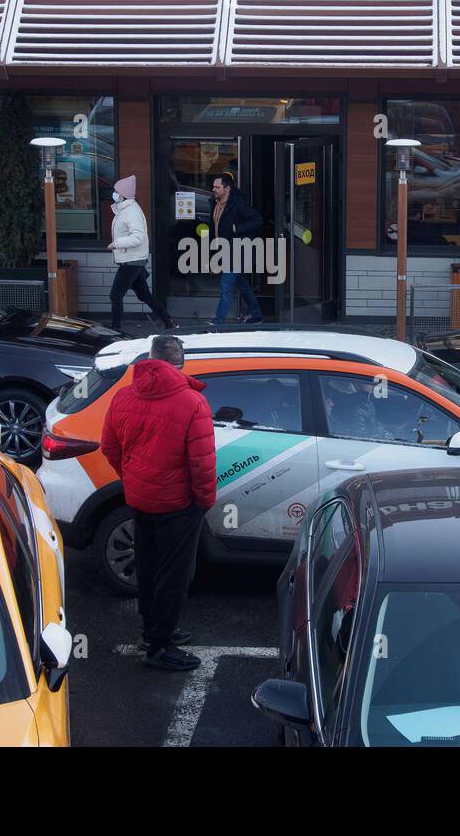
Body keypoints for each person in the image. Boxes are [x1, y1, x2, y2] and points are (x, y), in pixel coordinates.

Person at [100, 335, 216, 672]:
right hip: (178, 504)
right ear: (180, 364)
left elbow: (109, 446)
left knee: (149, 569)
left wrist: (133, 476)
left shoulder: (123, 396)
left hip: (141, 499)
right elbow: (201, 463)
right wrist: (203, 502)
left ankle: (151, 629)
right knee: (175, 575)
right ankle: (159, 645)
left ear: (149, 359)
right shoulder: (192, 403)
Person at [107, 175, 175, 332]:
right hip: (133, 259)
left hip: (132, 260)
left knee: (115, 295)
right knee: (144, 295)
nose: (114, 194)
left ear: (123, 194)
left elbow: (138, 237)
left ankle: (115, 331)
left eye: (116, 191)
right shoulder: (124, 209)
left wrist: (117, 244)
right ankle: (169, 321)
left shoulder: (131, 212)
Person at [210, 172, 264, 324]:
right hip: (224, 250)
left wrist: (236, 228)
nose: (213, 189)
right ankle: (256, 314)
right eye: (213, 186)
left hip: (238, 251)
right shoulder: (214, 203)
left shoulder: (238, 203)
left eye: (217, 187)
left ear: (227, 188)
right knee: (242, 285)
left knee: (225, 286)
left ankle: (217, 322)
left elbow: (258, 220)